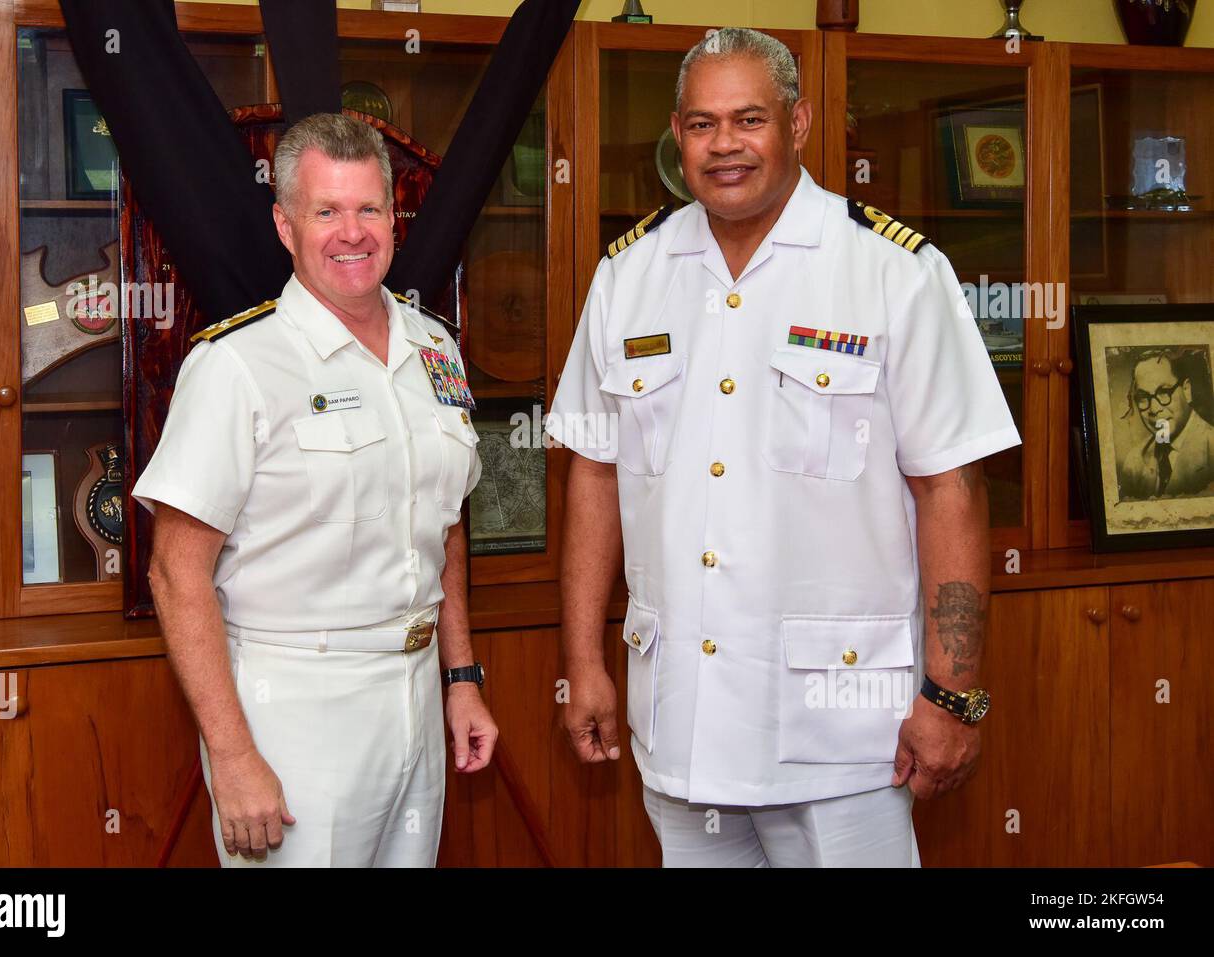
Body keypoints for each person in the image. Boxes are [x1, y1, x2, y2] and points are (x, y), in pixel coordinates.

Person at [549, 28, 1020, 867]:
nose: (724, 145)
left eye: (749, 119)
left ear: (797, 124)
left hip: (844, 729)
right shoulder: (629, 274)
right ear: (676, 134)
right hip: (683, 719)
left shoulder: (892, 271)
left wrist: (954, 693)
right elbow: (593, 467)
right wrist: (583, 660)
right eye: (701, 124)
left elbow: (952, 485)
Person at [132, 112, 497, 867]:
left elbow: (445, 521)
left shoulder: (436, 348)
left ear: (394, 219)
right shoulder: (238, 365)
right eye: (325, 211)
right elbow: (175, 571)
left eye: (369, 208)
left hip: (417, 699)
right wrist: (231, 754)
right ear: (284, 224)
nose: (351, 232)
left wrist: (460, 677)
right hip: (295, 710)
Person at [1118, 352, 1214, 499]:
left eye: (1164, 392)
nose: (1155, 409)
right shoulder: (1134, 462)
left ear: (1187, 390)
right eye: (1144, 398)